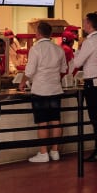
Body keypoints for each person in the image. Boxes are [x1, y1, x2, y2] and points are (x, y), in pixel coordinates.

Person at [21, 22, 67, 163]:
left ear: (38, 34)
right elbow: (64, 70)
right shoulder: (59, 49)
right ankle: (55, 151)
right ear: (51, 34)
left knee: (42, 122)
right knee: (55, 120)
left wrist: (22, 82)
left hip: (40, 90)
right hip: (55, 89)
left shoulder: (36, 49)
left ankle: (43, 153)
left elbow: (29, 71)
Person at [72, 13, 97, 161]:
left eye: (84, 22)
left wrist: (78, 51)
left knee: (96, 118)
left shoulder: (89, 42)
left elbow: (77, 63)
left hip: (93, 83)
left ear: (89, 24)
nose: (83, 24)